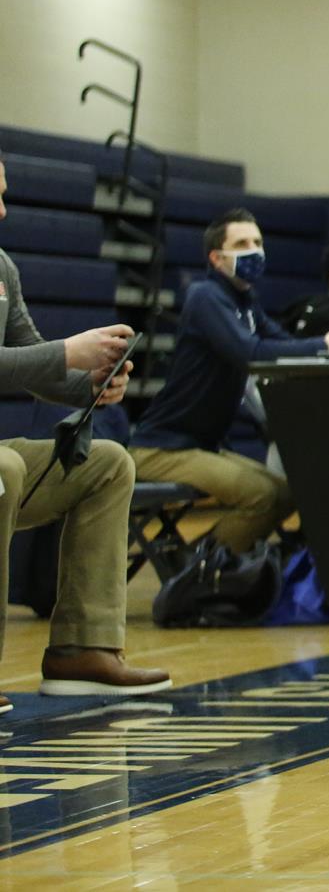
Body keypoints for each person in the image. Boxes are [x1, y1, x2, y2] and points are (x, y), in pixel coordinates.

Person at [0, 154, 172, 702]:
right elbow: (45, 356)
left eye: (4, 195)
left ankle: (83, 648)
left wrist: (91, 382)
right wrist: (69, 351)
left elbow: (29, 359)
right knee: (3, 467)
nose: (2, 210)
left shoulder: (2, 268)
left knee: (108, 463)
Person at [131, 209, 329, 551]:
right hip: (161, 447)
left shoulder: (245, 301)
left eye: (258, 242)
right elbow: (251, 352)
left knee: (287, 493)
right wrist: (325, 344)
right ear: (216, 257)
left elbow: (281, 342)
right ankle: (200, 577)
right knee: (262, 496)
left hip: (201, 446)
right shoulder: (205, 296)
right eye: (242, 243)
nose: (254, 250)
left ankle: (197, 561)